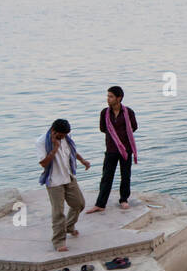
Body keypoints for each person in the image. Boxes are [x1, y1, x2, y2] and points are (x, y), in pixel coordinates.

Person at [36, 118, 92, 252]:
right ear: (54, 131)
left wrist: (83, 160)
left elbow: (71, 151)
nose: (64, 138)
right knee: (58, 212)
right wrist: (55, 148)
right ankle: (59, 241)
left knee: (79, 204)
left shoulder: (66, 137)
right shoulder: (41, 142)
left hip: (68, 176)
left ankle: (69, 226)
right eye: (61, 136)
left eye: (66, 135)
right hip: (54, 181)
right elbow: (43, 163)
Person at [87, 85, 138, 214]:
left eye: (111, 96)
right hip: (111, 149)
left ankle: (124, 199)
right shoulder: (105, 112)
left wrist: (122, 138)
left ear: (119, 98)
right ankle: (100, 204)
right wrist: (114, 138)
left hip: (126, 149)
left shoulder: (128, 112)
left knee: (125, 175)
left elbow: (134, 127)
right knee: (106, 177)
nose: (108, 99)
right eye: (108, 96)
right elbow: (103, 129)